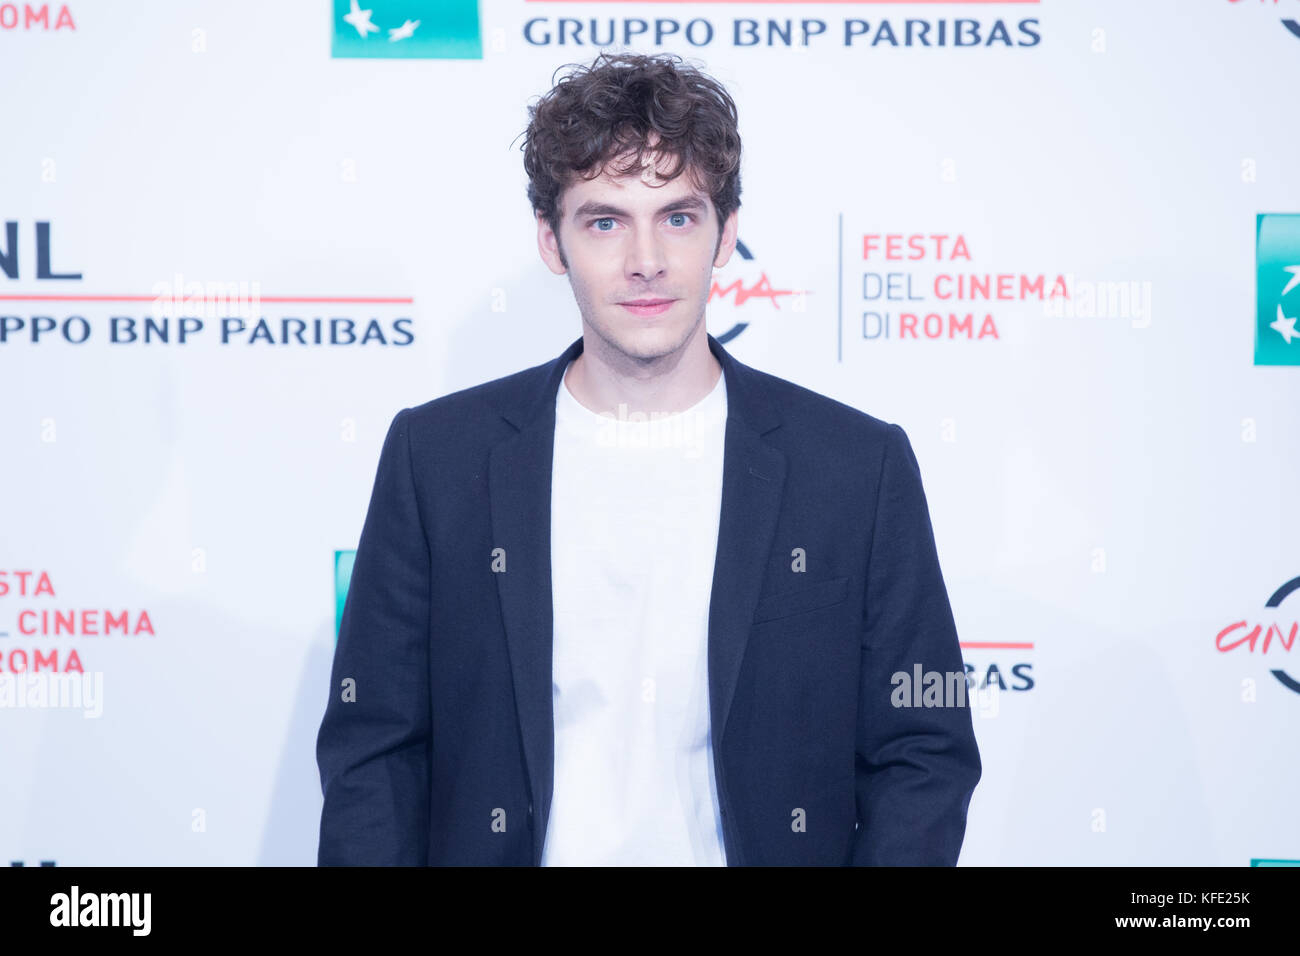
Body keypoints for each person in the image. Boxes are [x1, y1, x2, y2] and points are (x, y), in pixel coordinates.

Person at [315, 51, 981, 866]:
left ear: (726, 233)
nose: (646, 261)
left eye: (678, 216)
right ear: (552, 243)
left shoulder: (853, 467)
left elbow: (923, 753)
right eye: (604, 221)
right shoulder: (440, 458)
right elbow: (373, 754)